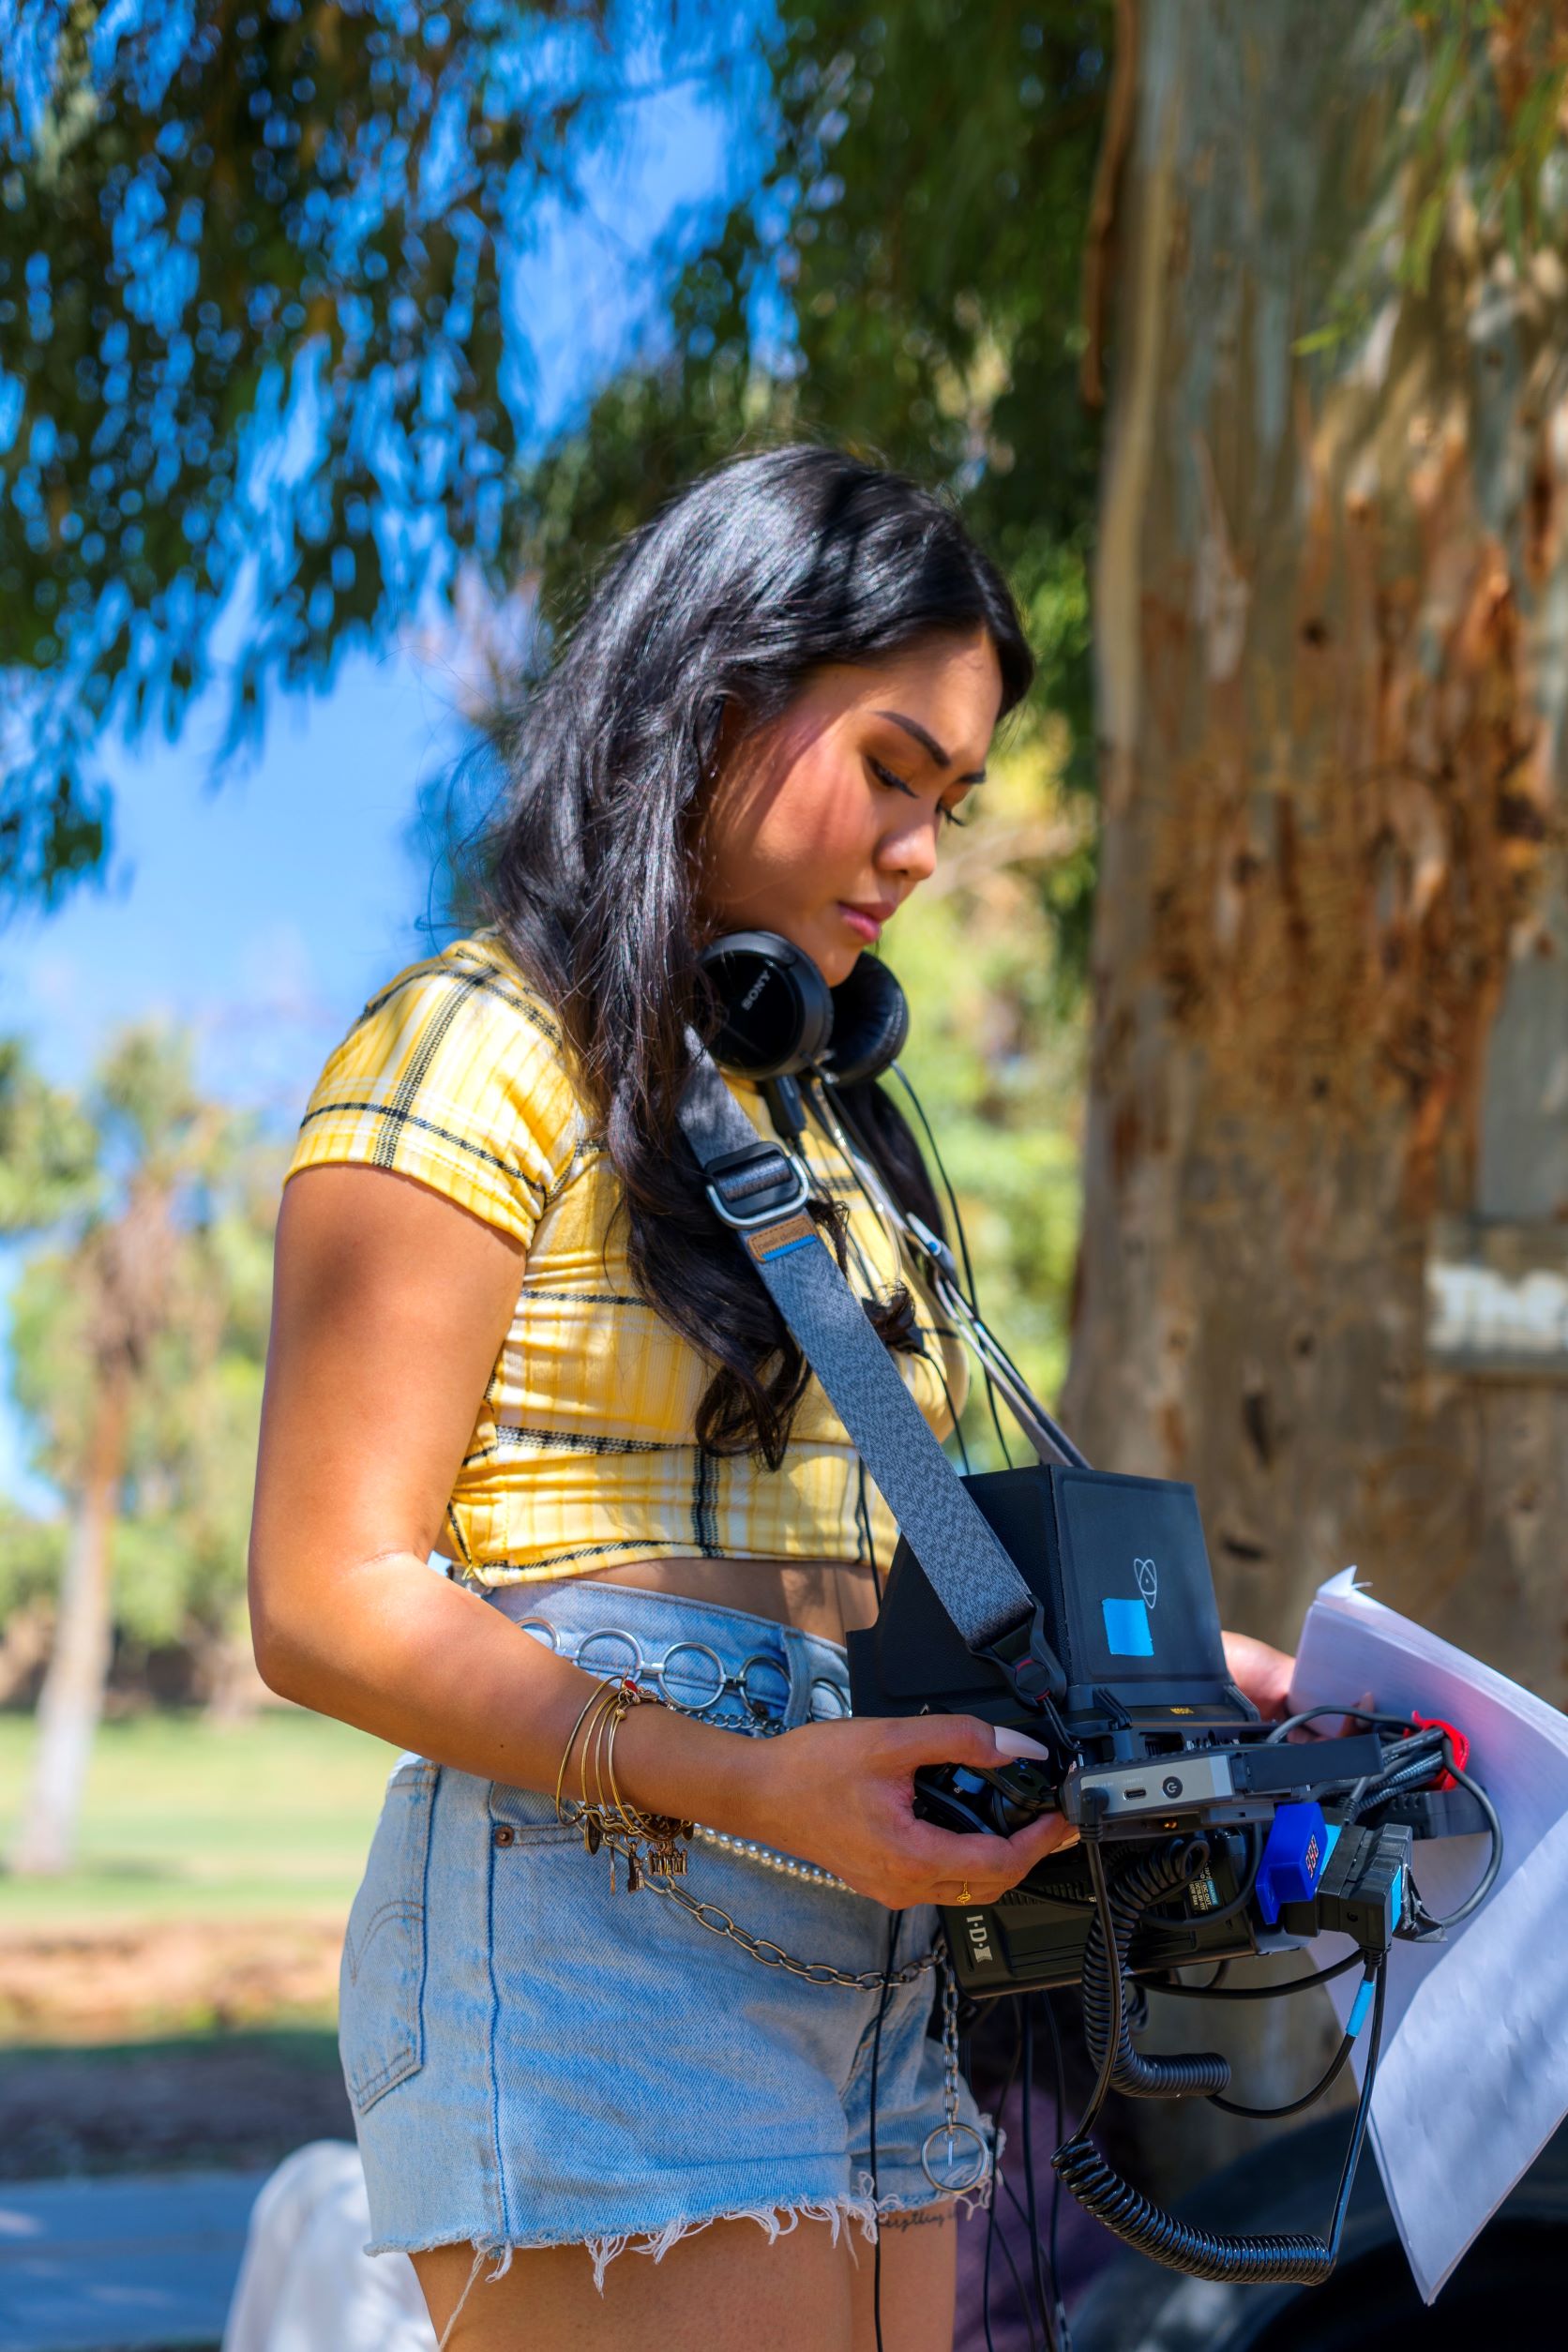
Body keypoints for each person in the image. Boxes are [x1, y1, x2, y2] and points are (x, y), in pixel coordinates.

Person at [249, 445, 1294, 2352]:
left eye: (951, 802)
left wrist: (1141, 1671)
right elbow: (322, 1597)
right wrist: (738, 1780)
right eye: (892, 769)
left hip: (869, 1921)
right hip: (604, 1925)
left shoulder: (808, 1123)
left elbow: (856, 1552)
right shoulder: (470, 1042)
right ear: (715, 695)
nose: (921, 852)